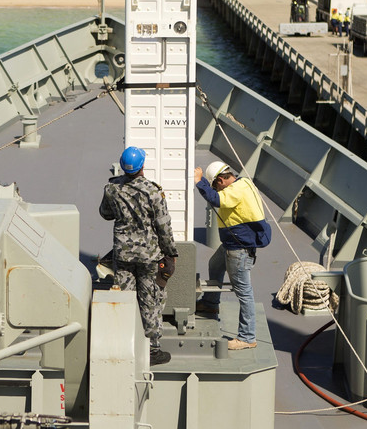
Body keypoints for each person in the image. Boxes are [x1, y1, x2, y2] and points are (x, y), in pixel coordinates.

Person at [100, 147, 178, 366]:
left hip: (123, 254)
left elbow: (105, 213)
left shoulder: (112, 188)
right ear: (142, 165)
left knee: (124, 299)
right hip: (149, 256)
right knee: (150, 300)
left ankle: (123, 346)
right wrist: (171, 253)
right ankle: (152, 350)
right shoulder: (153, 192)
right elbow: (163, 226)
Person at [193, 160, 267, 351]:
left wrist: (199, 182)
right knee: (215, 265)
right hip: (231, 244)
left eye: (215, 186)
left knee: (244, 292)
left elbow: (216, 200)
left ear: (220, 181)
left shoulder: (235, 191)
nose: (216, 190)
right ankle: (211, 303)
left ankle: (247, 337)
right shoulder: (243, 182)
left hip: (239, 249)